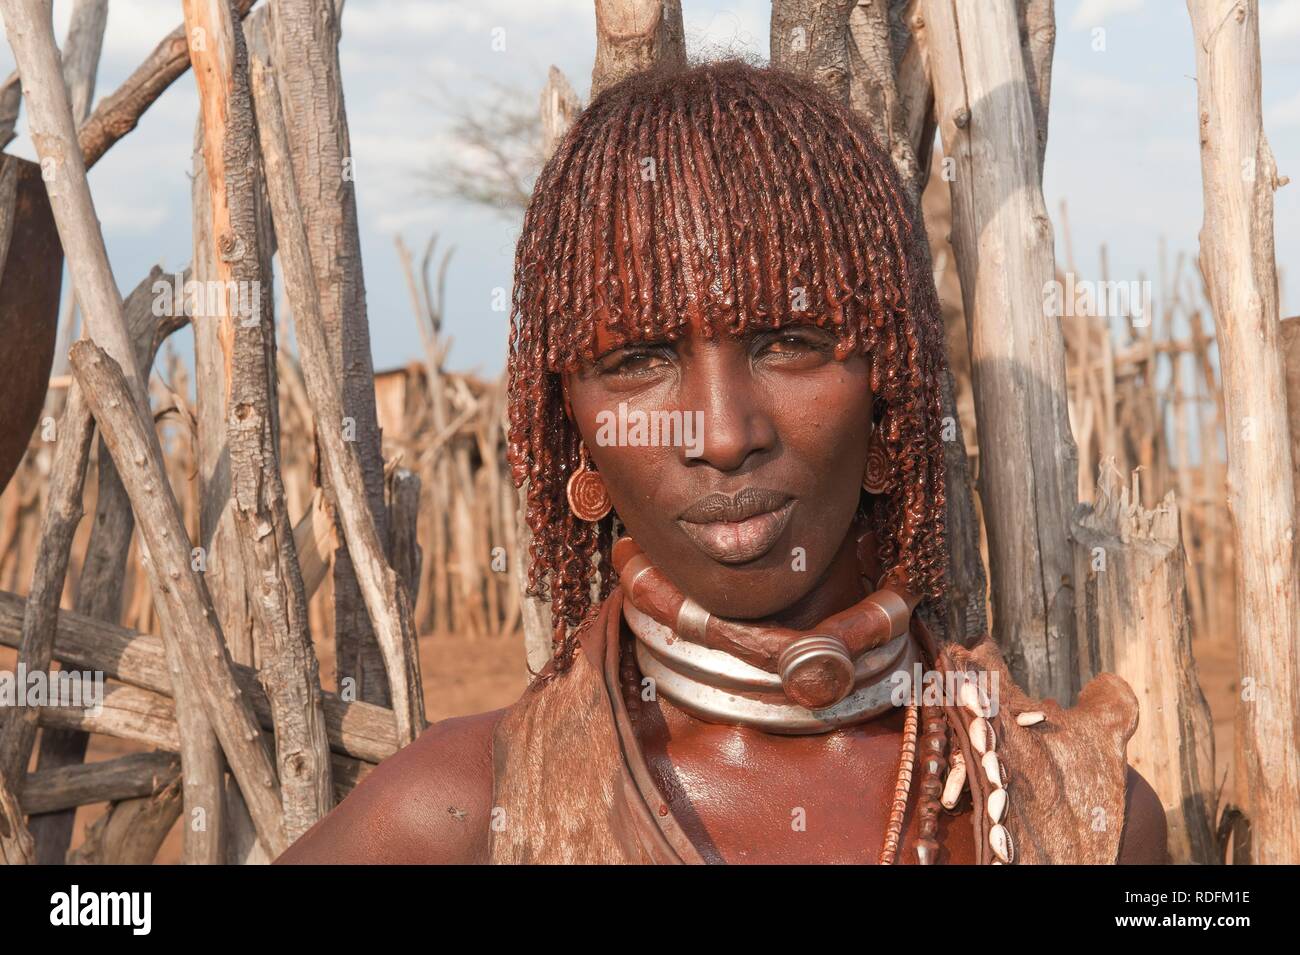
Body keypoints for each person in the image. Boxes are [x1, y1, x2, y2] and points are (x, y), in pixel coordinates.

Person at [277, 60, 1167, 865]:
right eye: (638, 361)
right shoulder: (459, 818)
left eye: (791, 343)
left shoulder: (1082, 822)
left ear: (886, 401)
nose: (724, 433)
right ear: (576, 437)